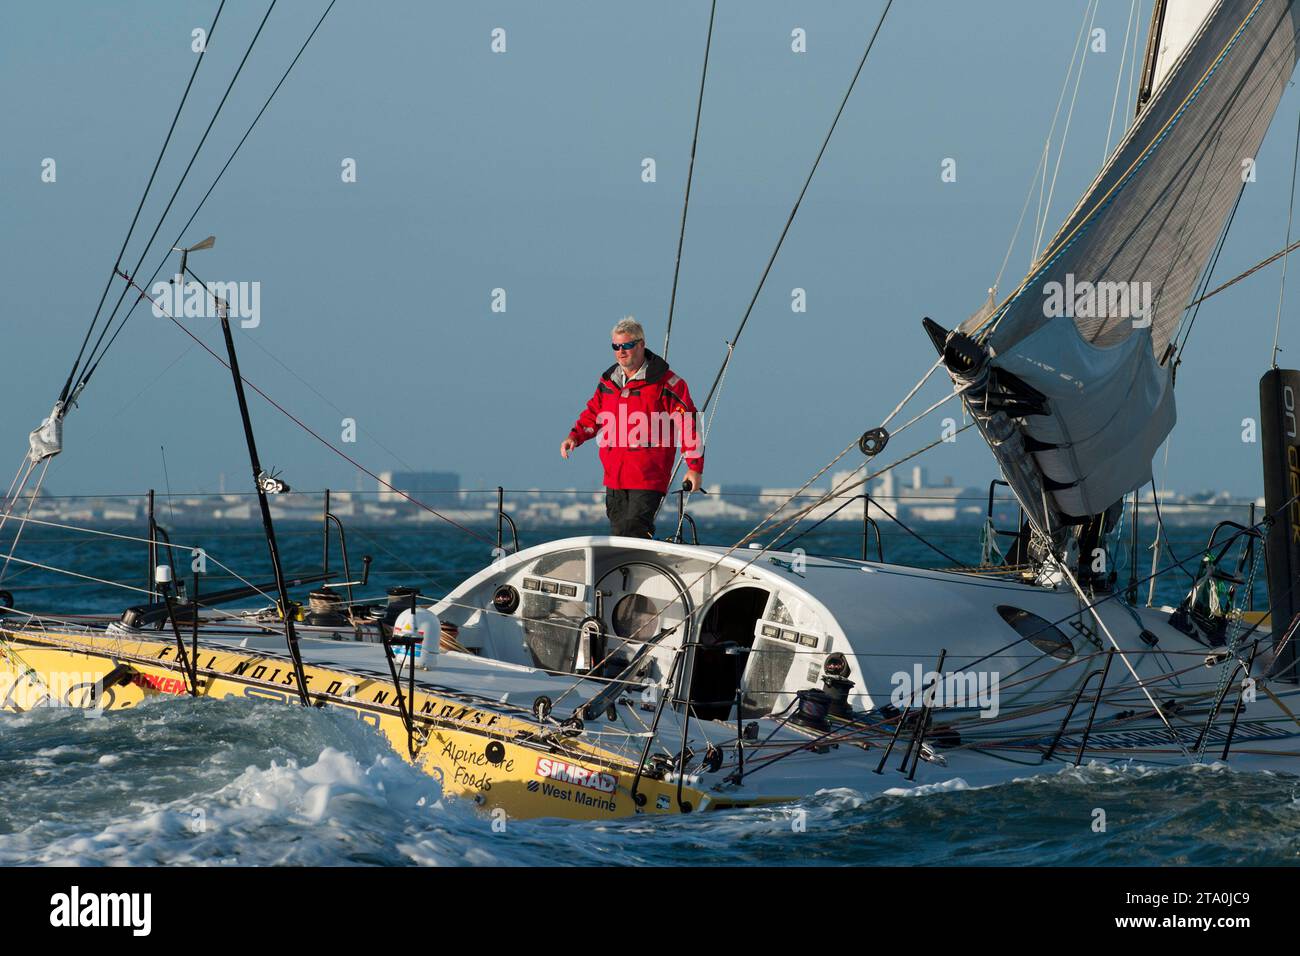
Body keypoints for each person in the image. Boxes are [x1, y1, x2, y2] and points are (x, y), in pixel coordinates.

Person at [560, 317, 704, 538]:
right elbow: (594, 414)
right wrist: (575, 437)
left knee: (633, 532)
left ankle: (635, 571)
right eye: (616, 346)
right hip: (614, 477)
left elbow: (689, 425)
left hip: (648, 477)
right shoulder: (608, 381)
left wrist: (694, 467)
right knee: (619, 534)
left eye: (627, 345)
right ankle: (625, 572)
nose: (621, 351)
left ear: (641, 344)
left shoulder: (668, 383)